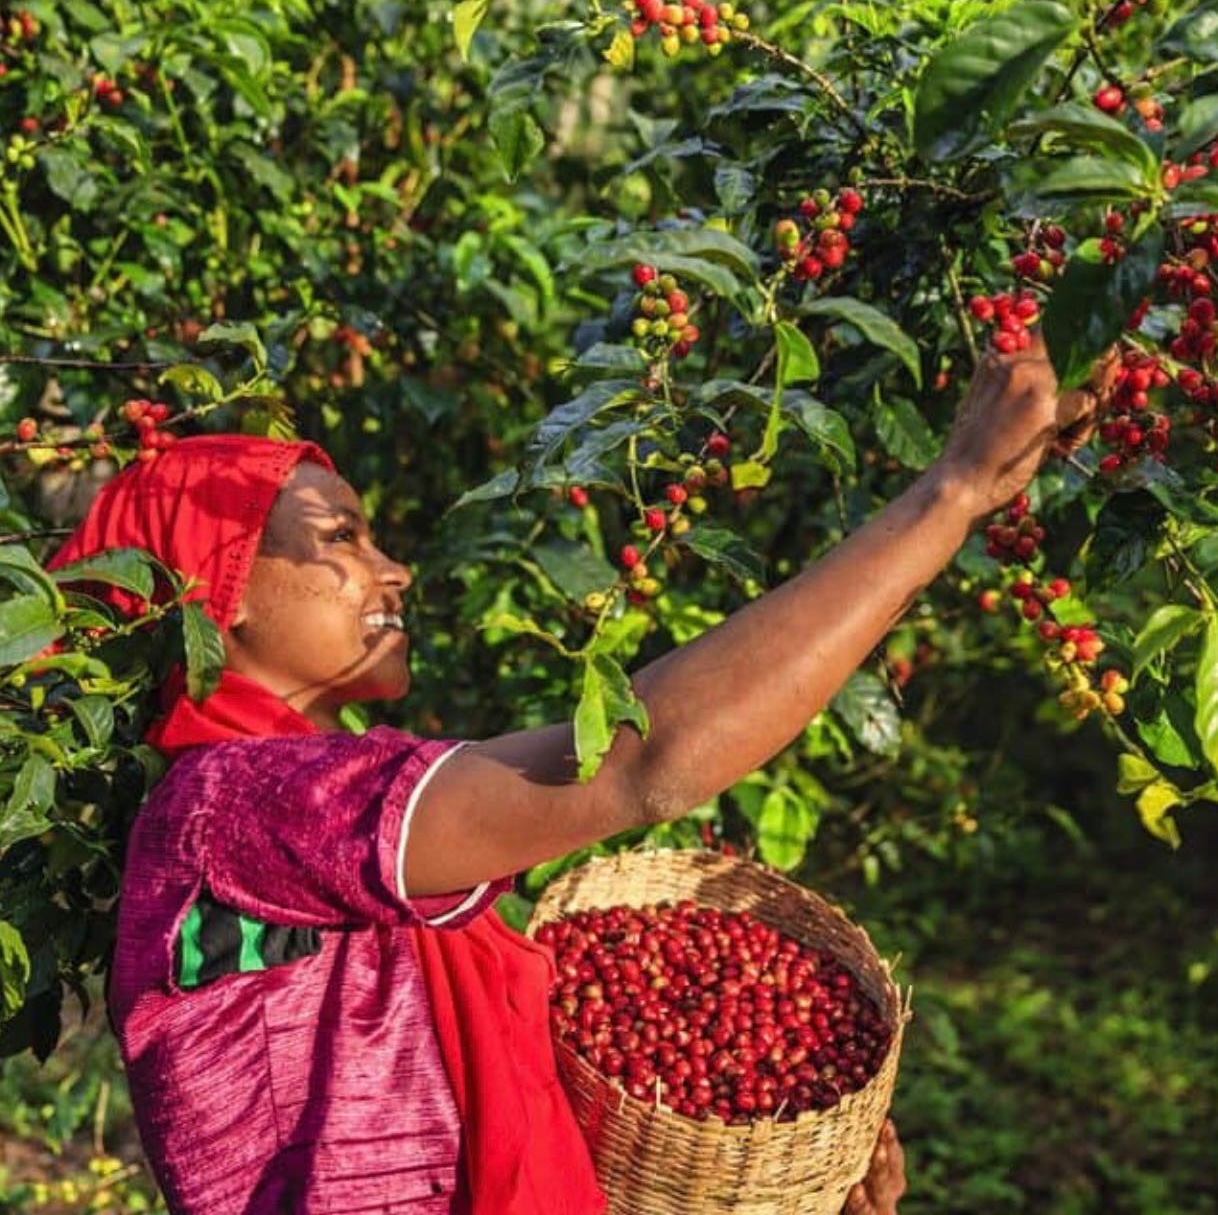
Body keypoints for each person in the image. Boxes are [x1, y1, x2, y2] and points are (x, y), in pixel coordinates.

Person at [47, 332, 1106, 1214]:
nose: (392, 567)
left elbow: (471, 1112)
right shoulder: (234, 802)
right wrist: (952, 492)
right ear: (212, 594)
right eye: (344, 538)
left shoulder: (298, 809)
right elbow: (647, 763)